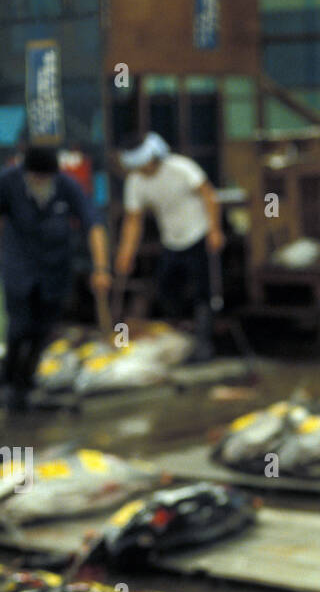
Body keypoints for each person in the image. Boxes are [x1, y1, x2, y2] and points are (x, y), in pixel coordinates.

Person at [0, 144, 110, 414]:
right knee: (19, 327)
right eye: (36, 178)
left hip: (55, 270)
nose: (41, 183)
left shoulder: (67, 186)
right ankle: (9, 383)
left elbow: (93, 225)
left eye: (46, 178)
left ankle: (25, 384)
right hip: (19, 267)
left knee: (42, 329)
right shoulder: (8, 183)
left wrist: (101, 268)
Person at [114, 133, 223, 361]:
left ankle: (204, 346)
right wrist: (126, 252)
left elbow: (209, 196)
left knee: (204, 292)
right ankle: (180, 338)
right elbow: (133, 220)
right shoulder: (136, 182)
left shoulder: (181, 167)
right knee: (167, 289)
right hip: (171, 241)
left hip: (198, 234)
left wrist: (214, 229)